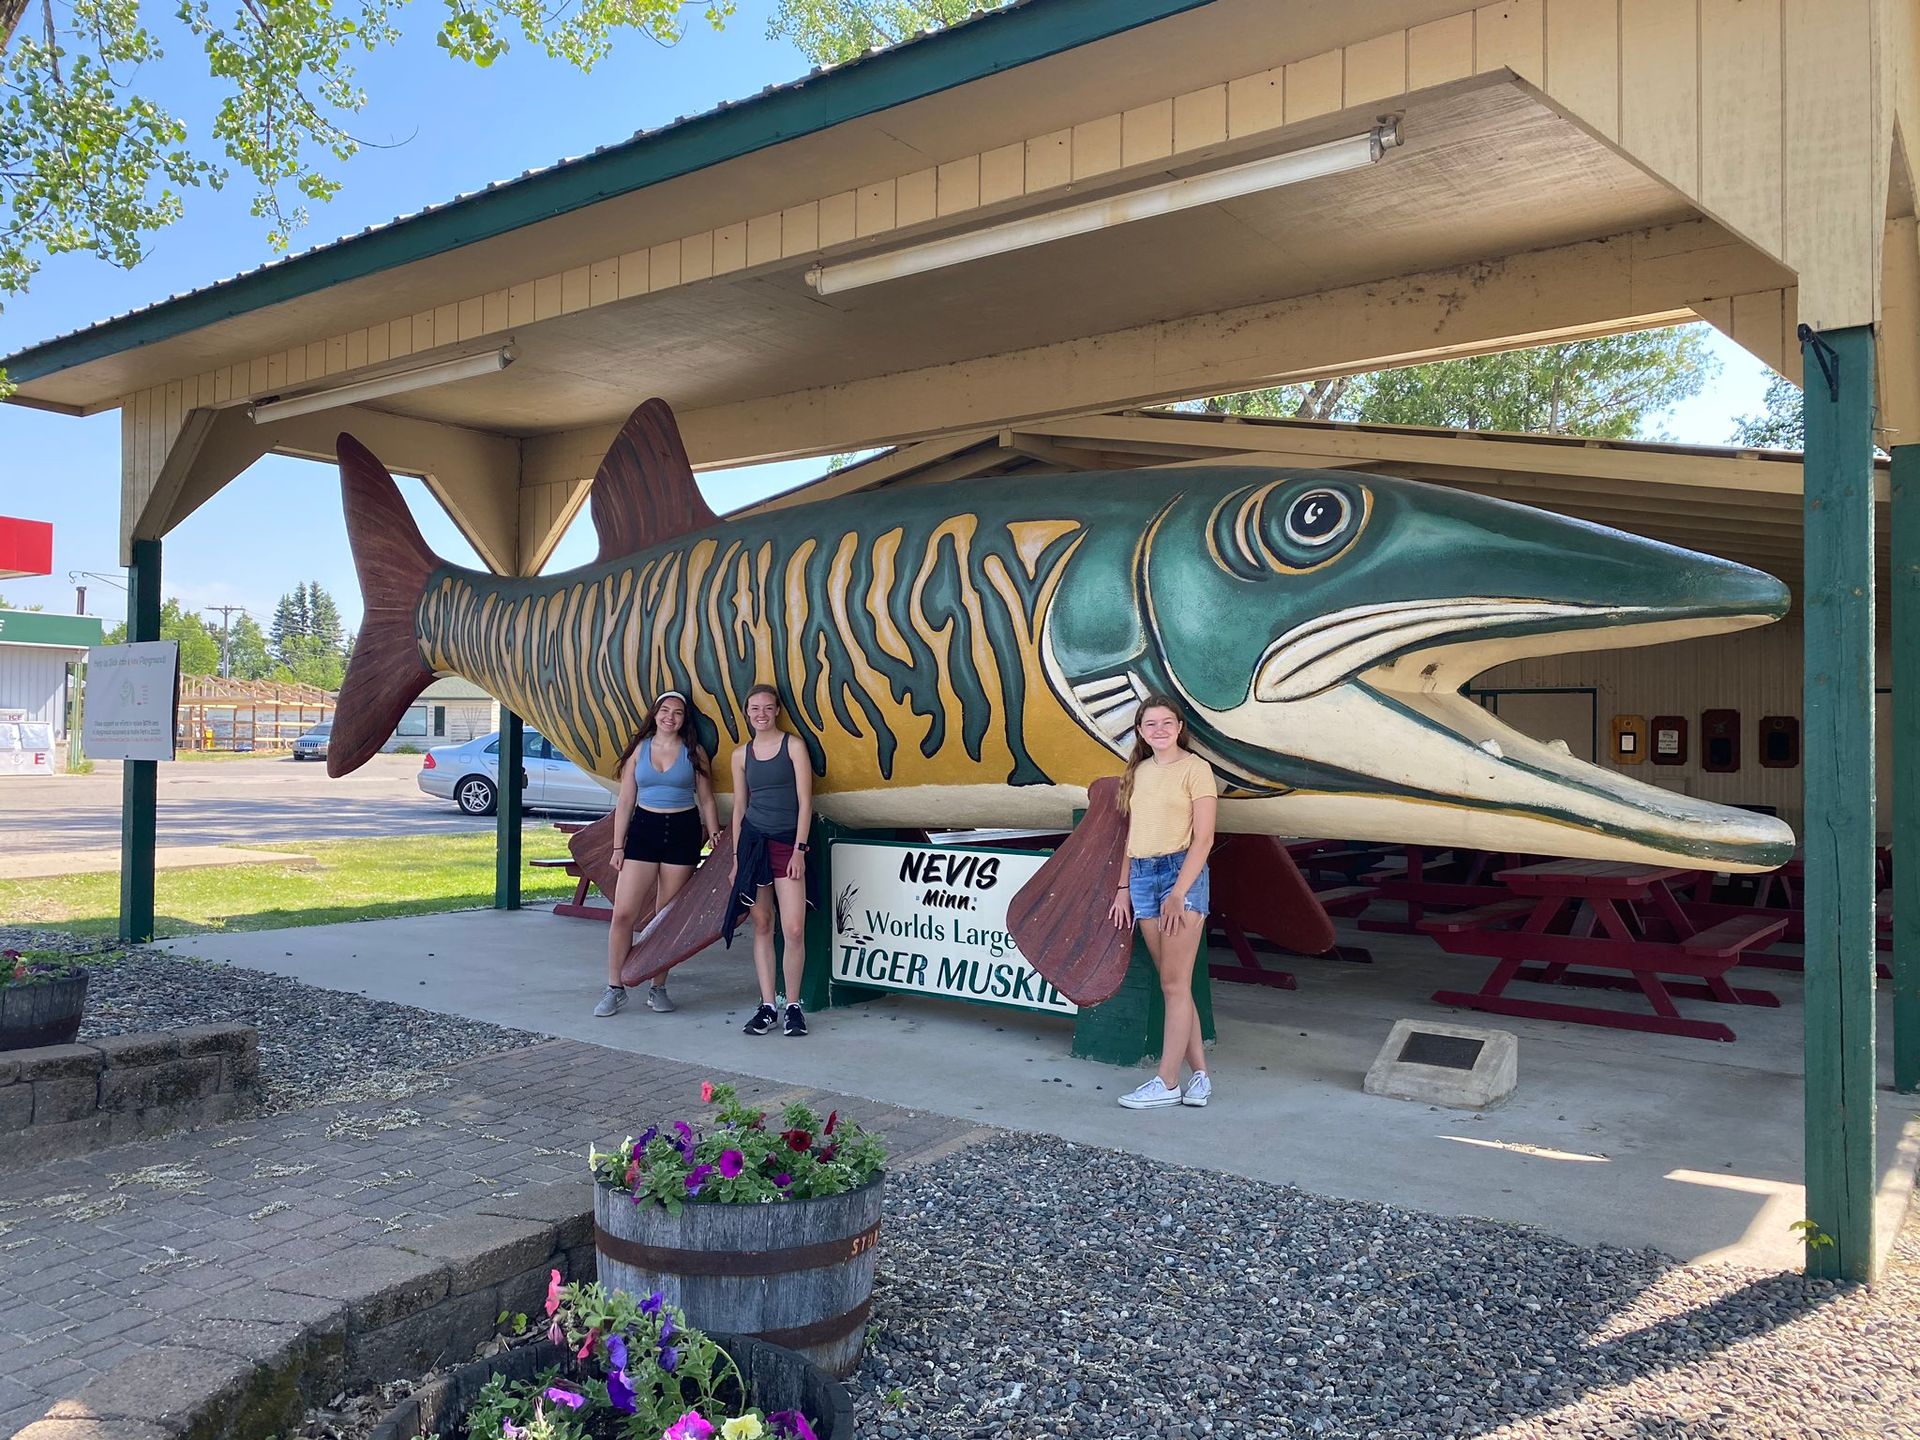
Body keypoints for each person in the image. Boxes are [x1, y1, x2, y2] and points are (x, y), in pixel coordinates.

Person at [1107, 694, 1219, 1109]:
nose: (1159, 730)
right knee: (1174, 984)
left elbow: (1204, 838)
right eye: (1150, 724)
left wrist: (1178, 894)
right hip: (1142, 877)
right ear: (1140, 731)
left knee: (1173, 984)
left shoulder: (1196, 769)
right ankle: (1201, 1075)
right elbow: (1132, 837)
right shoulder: (1139, 771)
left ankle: (1167, 1082)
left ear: (1178, 728)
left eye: (1166, 723)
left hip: (1180, 876)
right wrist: (1123, 888)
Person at [595, 691, 721, 1018]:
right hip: (644, 830)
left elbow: (706, 799)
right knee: (624, 913)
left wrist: (714, 831)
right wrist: (618, 846)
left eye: (677, 713)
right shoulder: (641, 750)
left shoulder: (694, 752)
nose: (670, 717)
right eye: (665, 711)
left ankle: (658, 986)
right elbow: (625, 802)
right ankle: (614, 987)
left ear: (684, 719)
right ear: (655, 715)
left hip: (682, 832)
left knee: (665, 915)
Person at [725, 684, 815, 1037]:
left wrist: (800, 849)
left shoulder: (793, 746)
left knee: (793, 928)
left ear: (777, 710)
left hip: (787, 843)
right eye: (754, 709)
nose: (760, 714)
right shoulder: (740, 755)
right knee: (762, 925)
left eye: (767, 708)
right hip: (752, 845)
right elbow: (740, 808)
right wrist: (735, 858)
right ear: (747, 712)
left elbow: (806, 801)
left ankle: (793, 1005)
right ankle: (767, 1006)